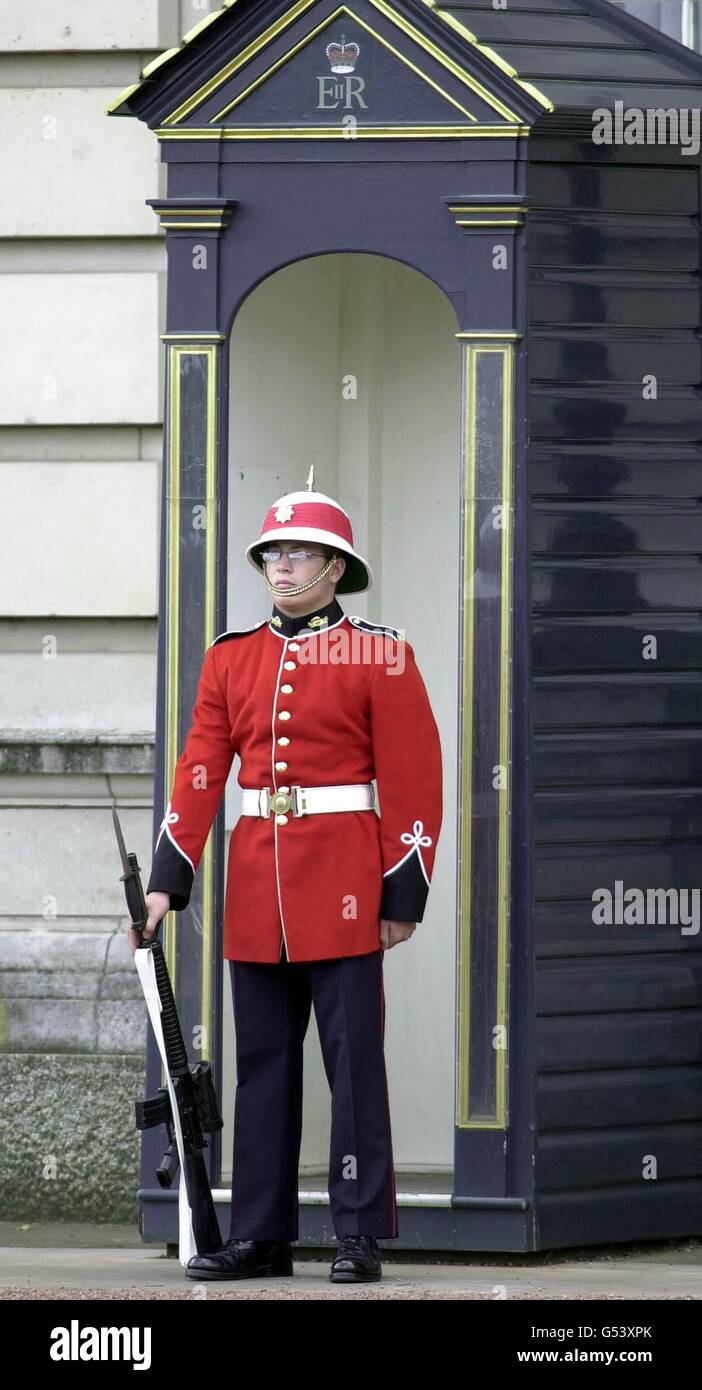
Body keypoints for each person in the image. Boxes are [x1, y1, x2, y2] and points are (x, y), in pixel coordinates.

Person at [132, 480, 443, 1283]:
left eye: (298, 551)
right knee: (263, 1066)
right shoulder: (232, 657)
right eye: (273, 551)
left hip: (345, 882)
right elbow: (201, 768)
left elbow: (414, 777)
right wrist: (169, 876)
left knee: (353, 1064)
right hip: (259, 886)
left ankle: (357, 1231)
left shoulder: (381, 652)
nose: (281, 563)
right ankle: (263, 1232)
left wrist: (402, 890)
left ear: (336, 566)